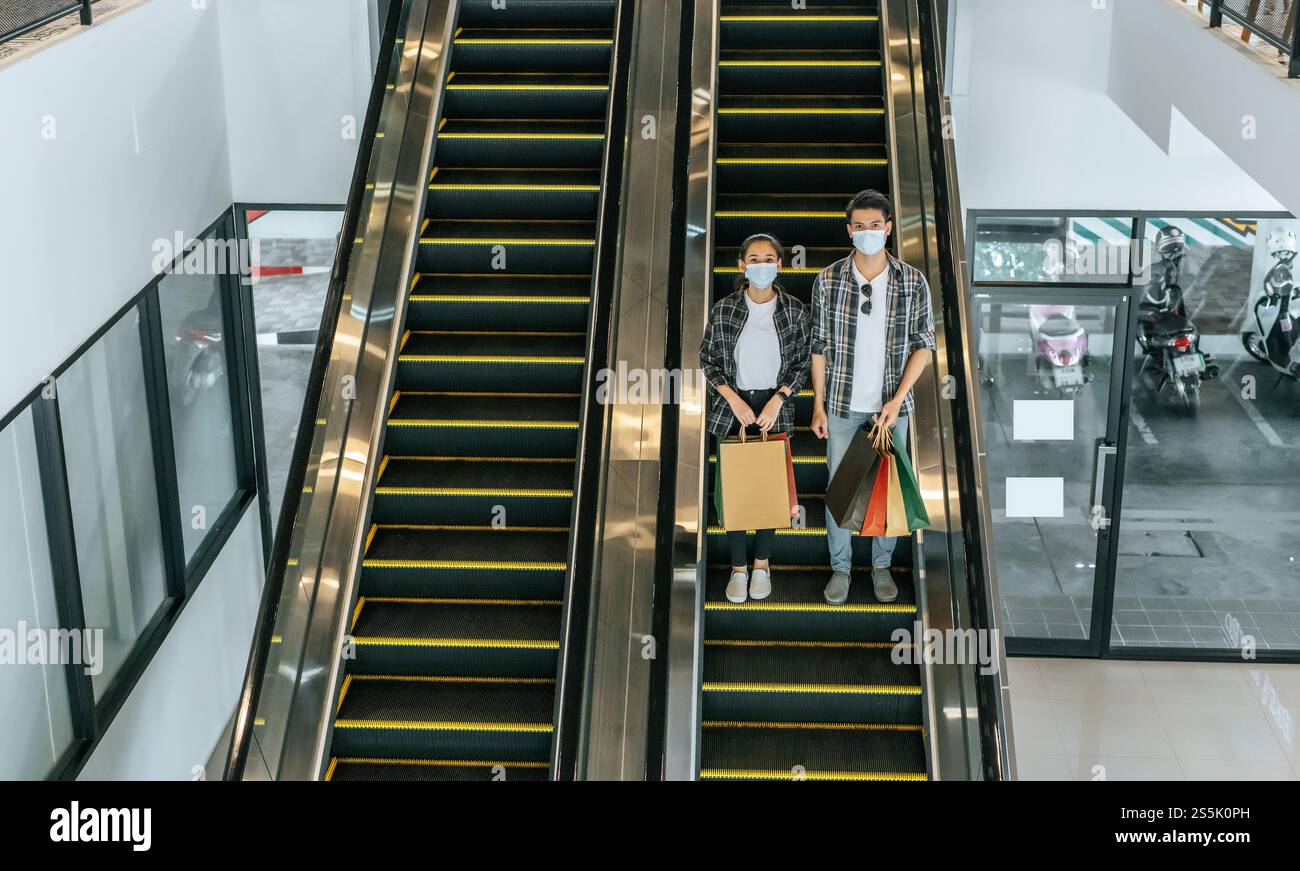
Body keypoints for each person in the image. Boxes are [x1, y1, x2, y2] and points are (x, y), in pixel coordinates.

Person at [810, 190, 935, 605]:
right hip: (843, 405)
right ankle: (841, 568)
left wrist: (898, 399)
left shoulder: (911, 281)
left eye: (875, 225)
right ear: (849, 231)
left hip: (890, 409)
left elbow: (924, 344)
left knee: (889, 487)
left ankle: (881, 565)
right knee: (840, 489)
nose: (867, 233)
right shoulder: (827, 280)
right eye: (859, 227)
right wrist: (818, 404)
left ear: (889, 228)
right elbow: (819, 346)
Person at [700, 233, 811, 604]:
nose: (761, 265)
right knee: (735, 490)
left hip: (773, 408)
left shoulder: (794, 310)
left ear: (779, 265)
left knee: (768, 491)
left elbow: (802, 363)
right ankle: (738, 568)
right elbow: (708, 359)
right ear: (742, 265)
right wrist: (732, 399)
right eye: (754, 258)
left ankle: (761, 565)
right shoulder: (724, 309)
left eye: (769, 259)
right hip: (733, 407)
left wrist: (779, 400)